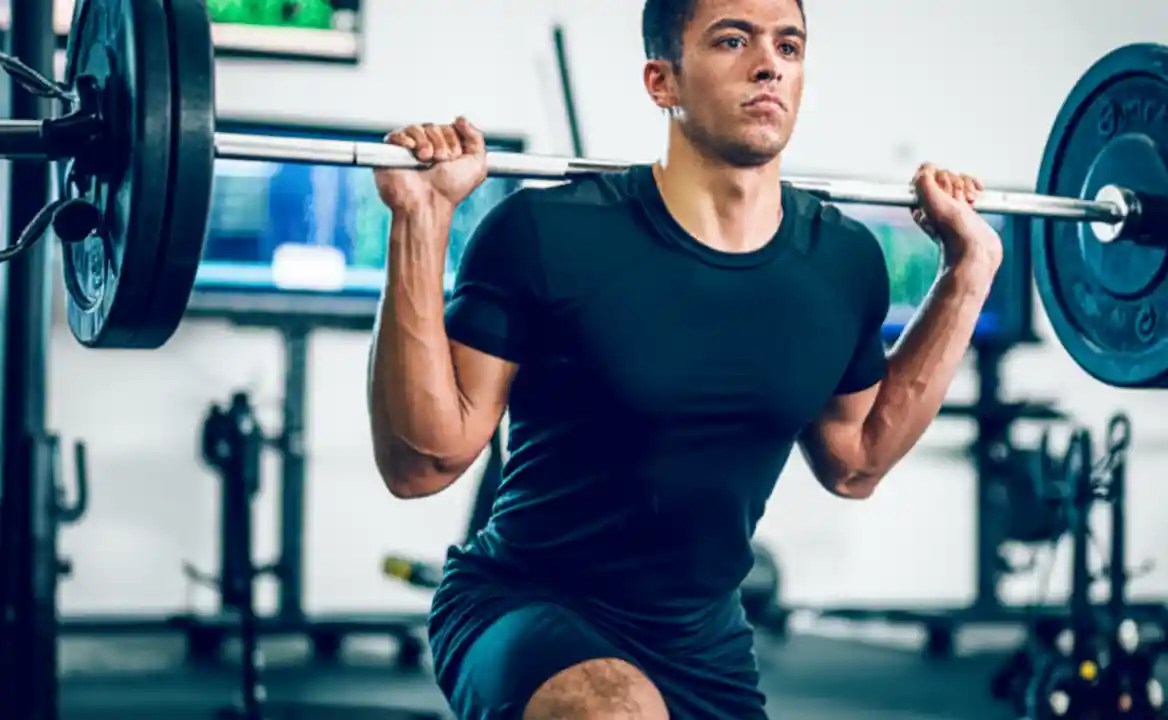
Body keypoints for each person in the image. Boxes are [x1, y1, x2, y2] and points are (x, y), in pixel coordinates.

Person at [366, 0, 1003, 717]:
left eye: (788, 46)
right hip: (520, 601)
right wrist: (420, 221)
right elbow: (421, 463)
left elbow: (855, 462)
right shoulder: (547, 232)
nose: (769, 64)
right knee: (615, 711)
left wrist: (969, 271)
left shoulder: (843, 261)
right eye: (732, 40)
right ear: (660, 82)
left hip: (702, 639)